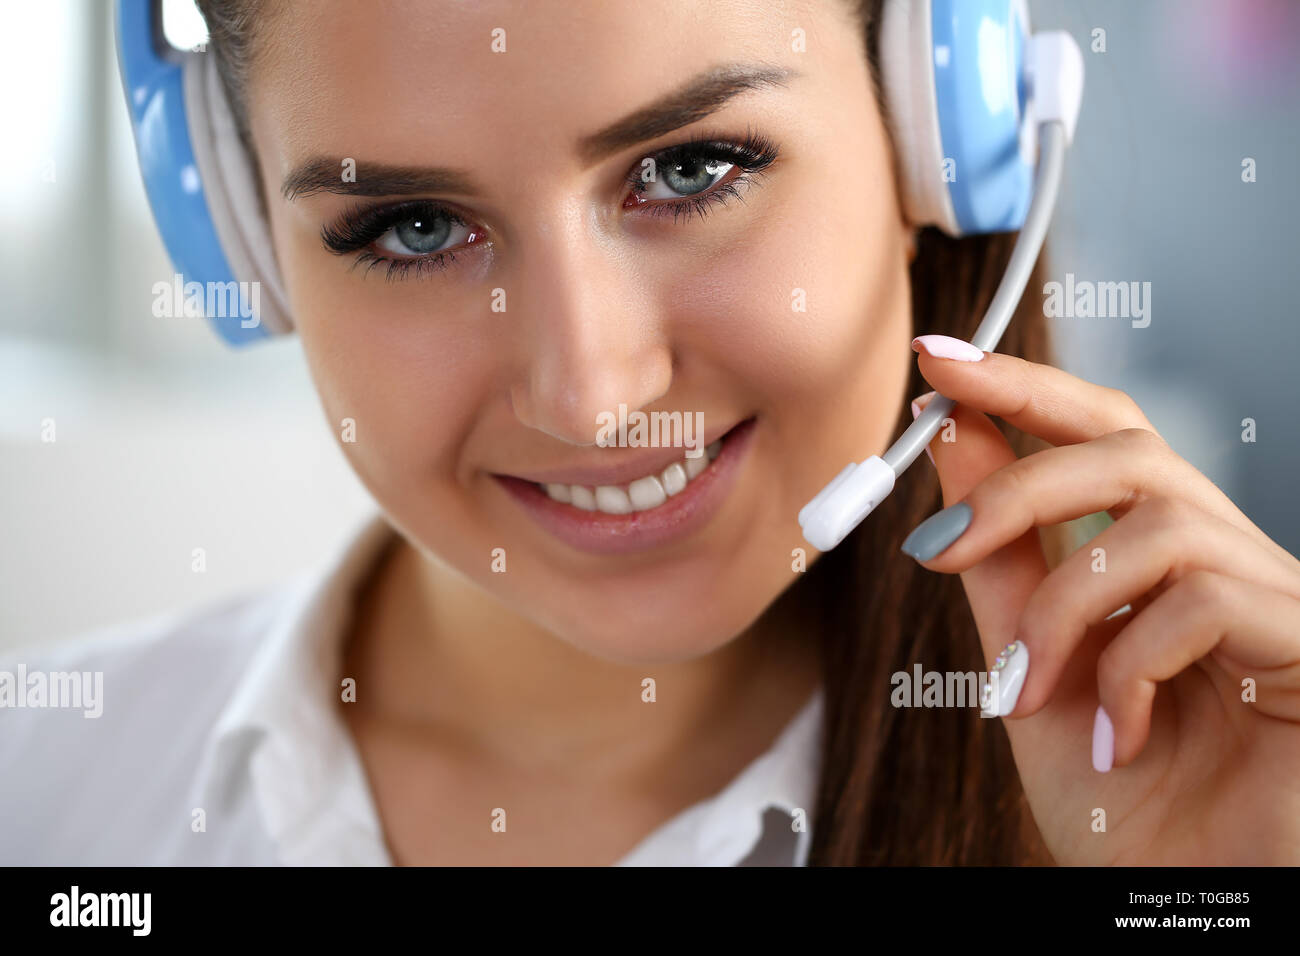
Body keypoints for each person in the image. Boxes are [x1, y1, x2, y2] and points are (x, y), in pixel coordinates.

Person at [3, 0, 1299, 866]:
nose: (591, 396)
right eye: (410, 226)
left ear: (935, 142)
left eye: (690, 169)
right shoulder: (50, 788)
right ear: (248, 247)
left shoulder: (1197, 787)